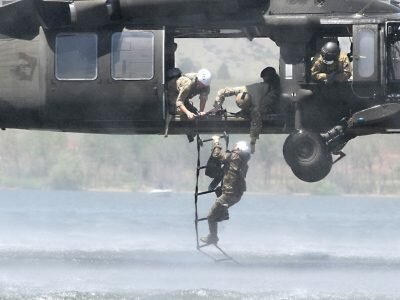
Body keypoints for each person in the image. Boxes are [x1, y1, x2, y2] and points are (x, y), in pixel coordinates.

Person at [213, 67, 280, 153]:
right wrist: (217, 107)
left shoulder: (256, 106)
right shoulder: (242, 90)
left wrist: (252, 143)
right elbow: (222, 92)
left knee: (268, 106)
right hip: (261, 87)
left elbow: (256, 124)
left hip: (272, 90)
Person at [200, 137, 251, 245]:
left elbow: (217, 155)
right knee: (219, 190)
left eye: (236, 146)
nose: (234, 148)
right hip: (236, 194)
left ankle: (213, 237)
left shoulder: (234, 157)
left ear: (238, 149)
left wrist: (216, 141)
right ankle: (223, 213)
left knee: (210, 216)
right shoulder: (243, 161)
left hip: (229, 194)